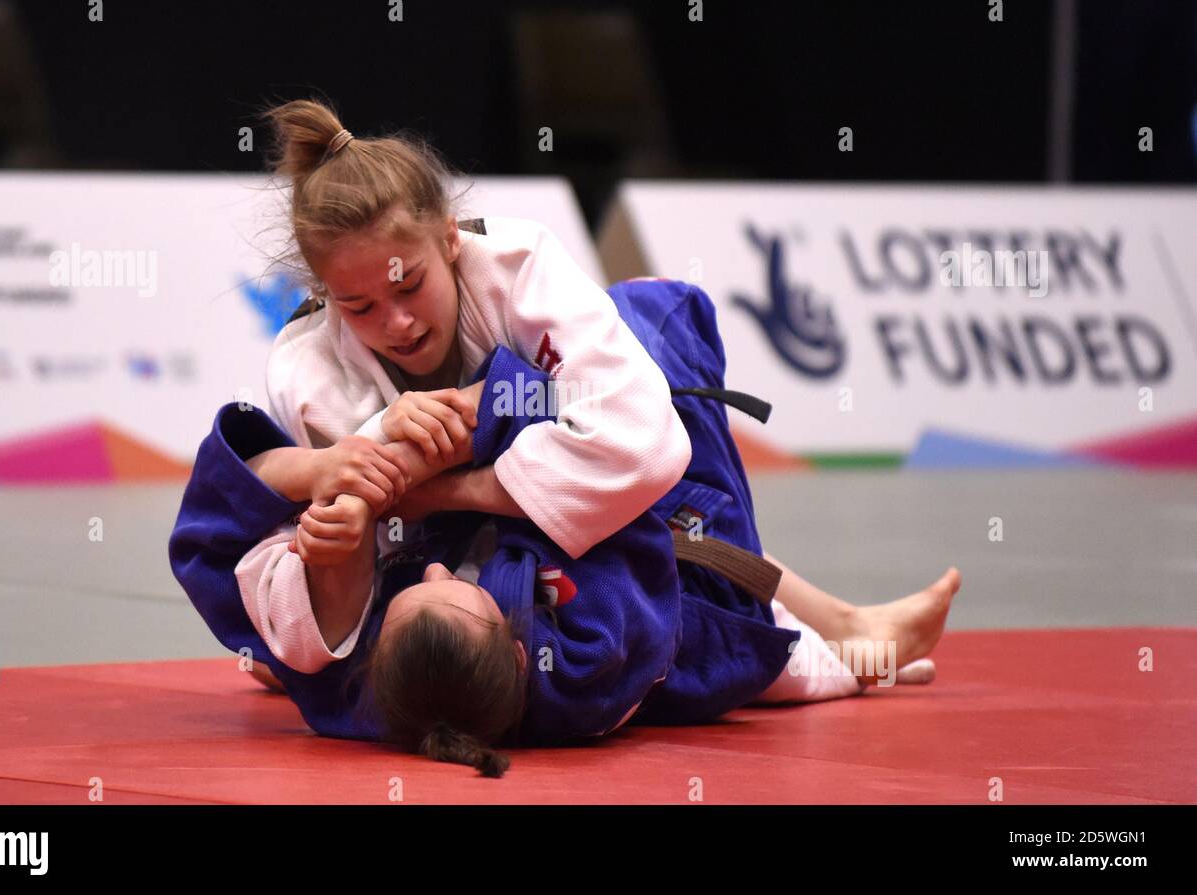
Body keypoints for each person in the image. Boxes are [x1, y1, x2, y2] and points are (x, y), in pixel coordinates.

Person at [168, 276, 960, 777]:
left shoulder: (364, 687)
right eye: (460, 593)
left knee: (287, 646)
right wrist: (464, 458)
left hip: (479, 585)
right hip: (690, 610)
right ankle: (859, 642)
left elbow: (211, 538)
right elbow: (625, 505)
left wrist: (327, 519)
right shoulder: (585, 663)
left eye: (415, 593)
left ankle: (859, 634)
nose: (436, 575)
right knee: (648, 337)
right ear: (517, 648)